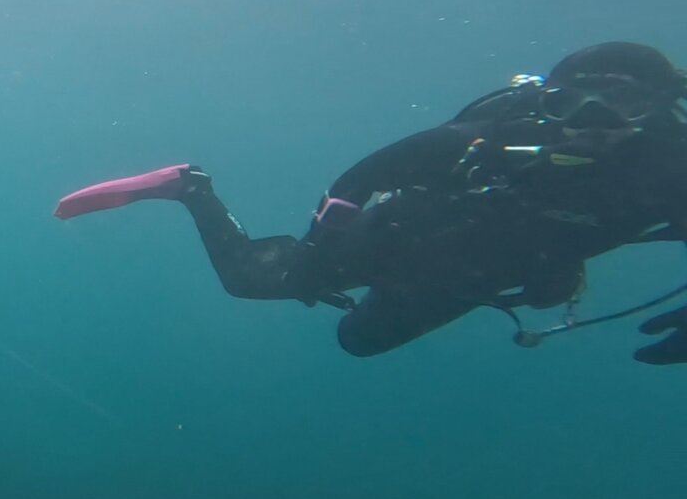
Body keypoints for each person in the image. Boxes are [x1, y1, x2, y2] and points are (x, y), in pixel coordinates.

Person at [56, 42, 687, 365]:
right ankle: (188, 185)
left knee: (358, 343)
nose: (590, 128)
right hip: (402, 236)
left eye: (623, 109)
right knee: (248, 282)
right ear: (545, 102)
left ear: (656, 113)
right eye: (570, 107)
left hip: (487, 275)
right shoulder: (497, 137)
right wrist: (321, 247)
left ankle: (399, 292)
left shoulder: (670, 171)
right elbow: (365, 175)